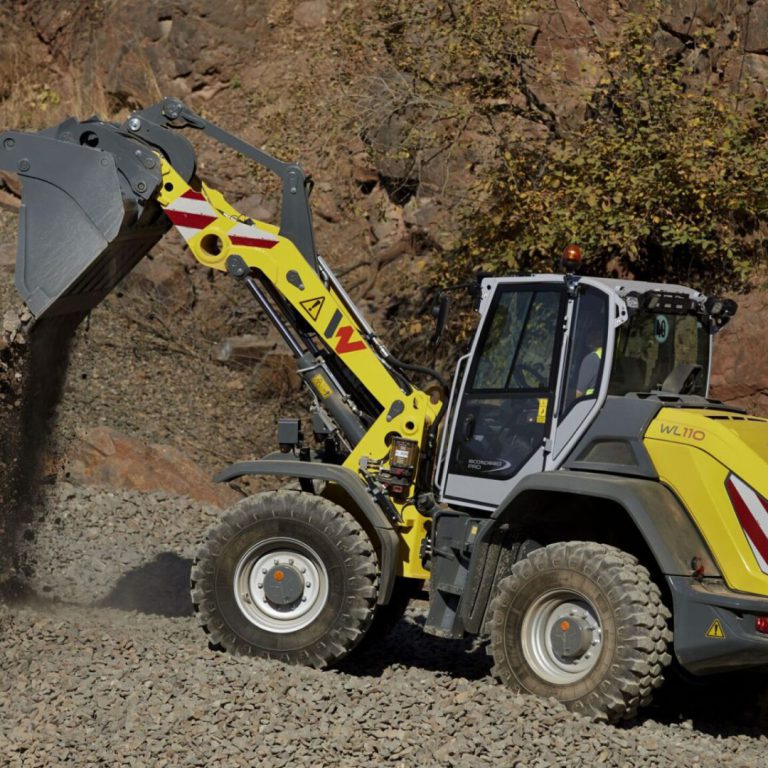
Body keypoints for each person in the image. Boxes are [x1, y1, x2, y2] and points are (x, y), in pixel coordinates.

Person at [575, 320, 604, 398]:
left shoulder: (591, 359)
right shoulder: (605, 355)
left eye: (590, 331)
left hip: (588, 402)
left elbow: (579, 392)